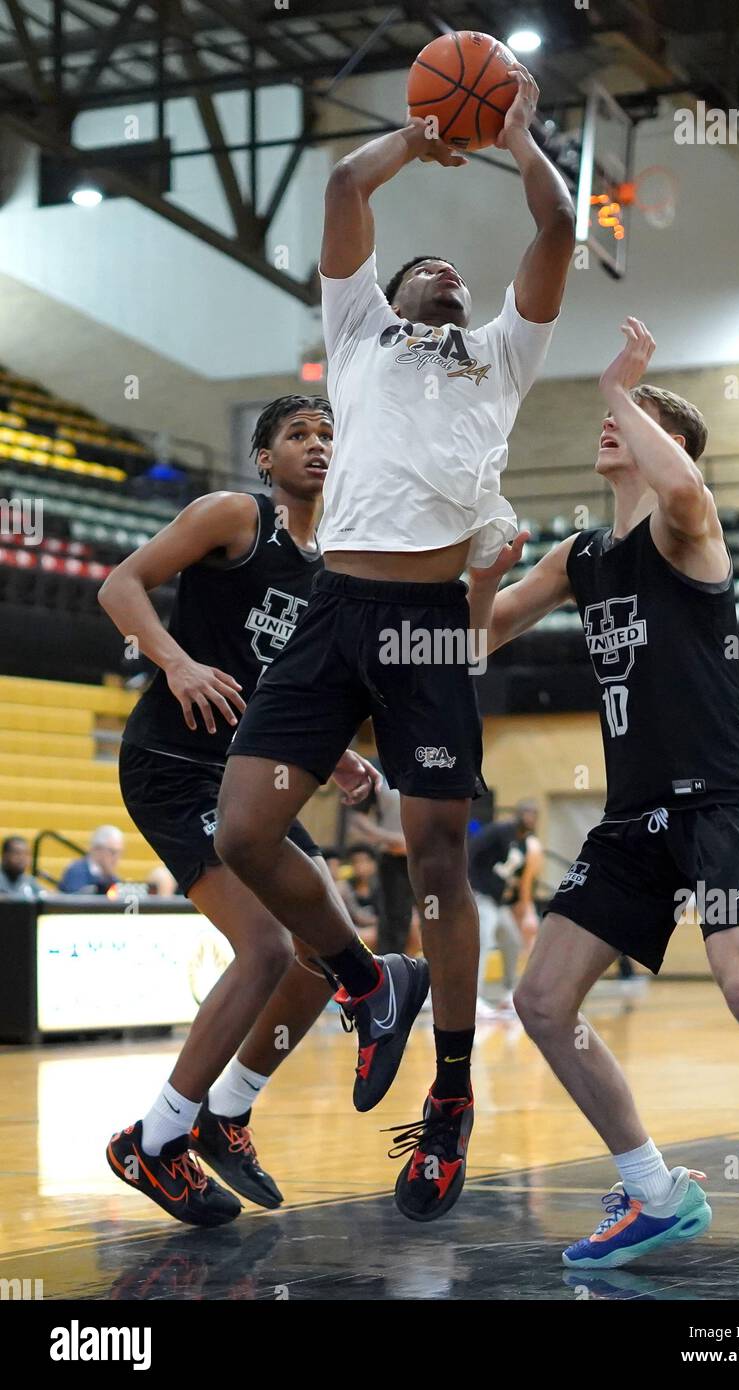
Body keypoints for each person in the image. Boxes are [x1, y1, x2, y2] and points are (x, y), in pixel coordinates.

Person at [215, 63, 575, 1222]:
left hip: (425, 629)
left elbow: (558, 225)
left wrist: (518, 142)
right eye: (422, 262)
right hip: (335, 614)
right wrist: (413, 144)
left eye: (452, 272)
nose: (439, 270)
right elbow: (334, 185)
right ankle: (373, 982)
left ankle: (455, 1095)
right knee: (244, 830)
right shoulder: (358, 327)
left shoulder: (499, 354)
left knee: (434, 862)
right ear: (389, 289)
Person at [469, 318, 739, 1297]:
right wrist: (481, 564)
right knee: (540, 1000)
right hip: (631, 814)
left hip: (718, 799)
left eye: (636, 422)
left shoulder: (684, 524)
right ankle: (649, 1188)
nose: (613, 428)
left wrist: (619, 388)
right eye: (616, 417)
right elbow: (477, 637)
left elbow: (681, 486)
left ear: (664, 441)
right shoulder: (580, 556)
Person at [97, 394, 427, 1228]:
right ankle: (154, 1138)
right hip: (174, 763)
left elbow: (280, 684)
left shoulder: (333, 567)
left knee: (322, 947)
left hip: (251, 773)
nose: (318, 445)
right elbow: (119, 584)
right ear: (264, 458)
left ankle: (226, 1112)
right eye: (298, 435)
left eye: (328, 435)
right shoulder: (233, 518)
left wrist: (343, 754)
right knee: (268, 946)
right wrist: (174, 664)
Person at [469, 801, 542, 1016]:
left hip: (498, 902)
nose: (530, 819)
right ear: (517, 814)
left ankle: (508, 993)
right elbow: (471, 851)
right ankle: (474, 999)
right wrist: (471, 886)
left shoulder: (523, 844)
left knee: (512, 940)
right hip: (481, 896)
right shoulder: (498, 831)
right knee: (484, 941)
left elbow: (516, 878)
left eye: (534, 815)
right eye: (527, 813)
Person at [348, 773, 414, 955]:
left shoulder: (436, 761)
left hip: (430, 856)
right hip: (394, 857)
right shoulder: (378, 773)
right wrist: (390, 838)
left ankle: (430, 974)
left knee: (434, 917)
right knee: (394, 920)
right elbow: (356, 819)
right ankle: (392, 973)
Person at [58, 826, 123, 894]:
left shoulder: (112, 879)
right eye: (112, 852)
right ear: (97, 849)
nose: (116, 858)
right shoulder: (77, 872)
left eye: (119, 853)